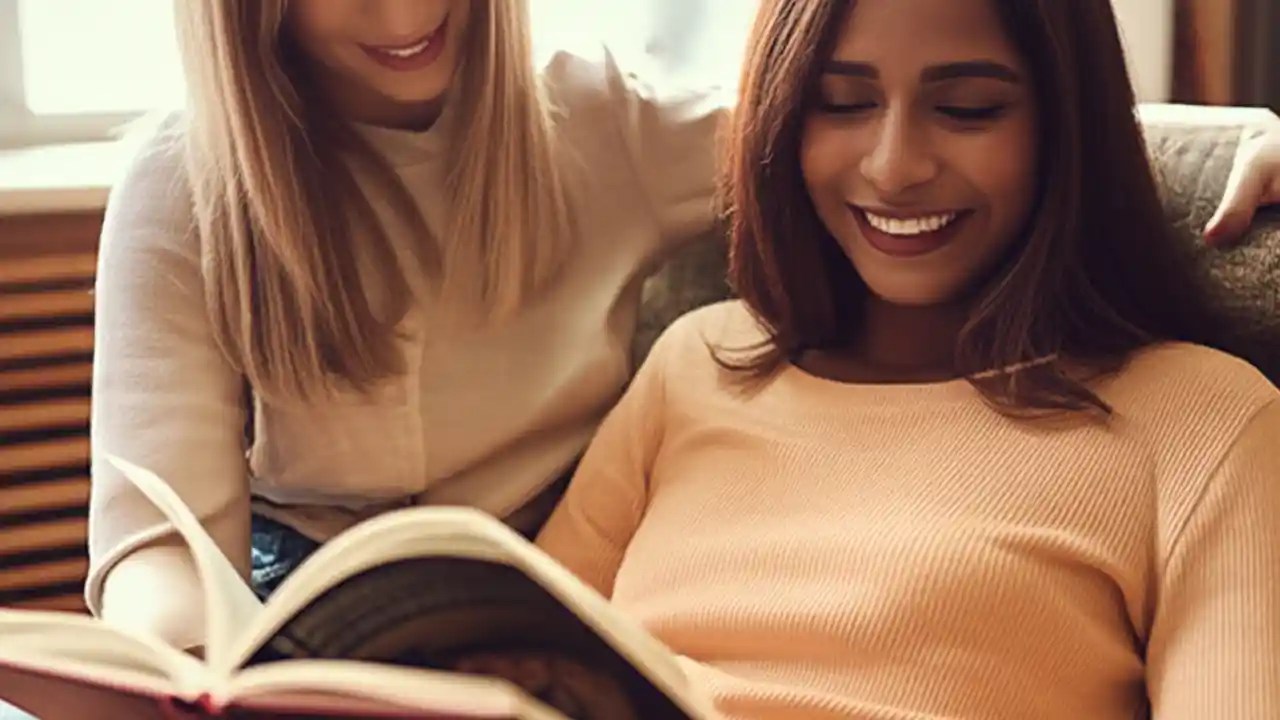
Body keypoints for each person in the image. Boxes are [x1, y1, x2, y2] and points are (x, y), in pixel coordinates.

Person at [87, 0, 1276, 660]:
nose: (406, 13)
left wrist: (1241, 132)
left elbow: (905, 99)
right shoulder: (185, 181)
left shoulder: (596, 124)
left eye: (964, 110)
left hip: (532, 553)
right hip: (293, 590)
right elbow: (155, 543)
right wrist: (213, 675)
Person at [517, 0, 1280, 718]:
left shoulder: (1207, 423)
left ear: (1067, 123)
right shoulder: (699, 361)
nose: (894, 168)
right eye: (843, 104)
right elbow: (501, 658)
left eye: (967, 109)